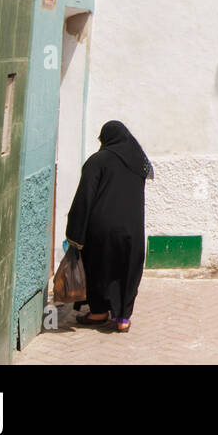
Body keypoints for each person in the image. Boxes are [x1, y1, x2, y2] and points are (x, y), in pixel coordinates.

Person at [66, 121, 153, 333]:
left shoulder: (97, 161)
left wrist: (75, 234)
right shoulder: (138, 162)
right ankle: (123, 318)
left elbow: (84, 198)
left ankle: (98, 312)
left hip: (101, 228)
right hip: (132, 229)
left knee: (98, 267)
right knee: (128, 269)